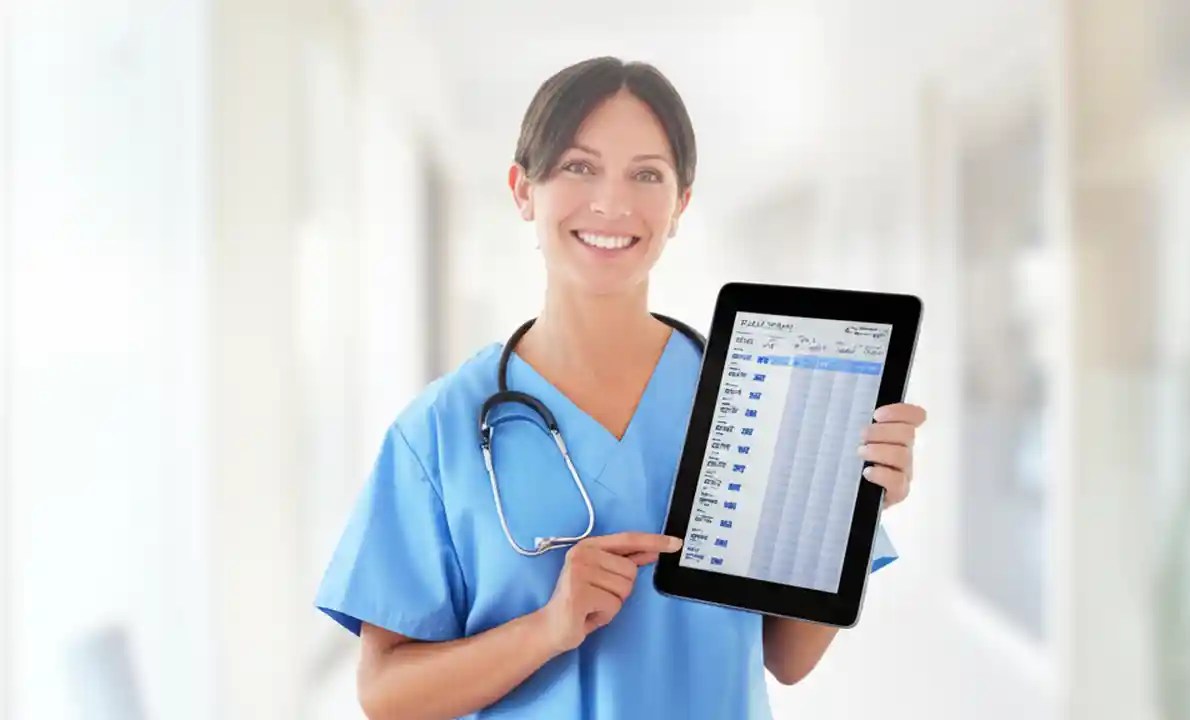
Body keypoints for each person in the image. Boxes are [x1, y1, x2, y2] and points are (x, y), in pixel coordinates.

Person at [314, 56, 928, 720]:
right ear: (523, 190)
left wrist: (852, 508)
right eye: (578, 166)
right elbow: (386, 693)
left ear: (680, 204)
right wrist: (547, 629)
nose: (612, 202)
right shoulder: (439, 429)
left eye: (647, 174)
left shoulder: (762, 397)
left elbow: (788, 656)